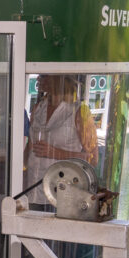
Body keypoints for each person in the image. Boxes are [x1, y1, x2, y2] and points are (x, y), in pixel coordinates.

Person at [25, 74, 98, 206]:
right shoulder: (37, 109)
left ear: (60, 77)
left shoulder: (81, 112)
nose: (38, 79)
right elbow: (29, 149)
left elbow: (93, 159)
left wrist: (55, 153)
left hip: (61, 198)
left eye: (44, 76)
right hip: (31, 193)